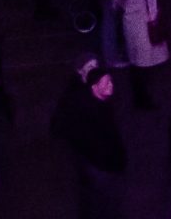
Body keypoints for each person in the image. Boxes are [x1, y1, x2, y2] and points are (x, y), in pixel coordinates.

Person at [51, 57, 127, 219]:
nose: (94, 69)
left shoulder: (89, 92)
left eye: (96, 65)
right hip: (95, 158)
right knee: (100, 197)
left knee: (93, 193)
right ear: (79, 71)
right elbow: (61, 124)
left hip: (93, 156)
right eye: (90, 66)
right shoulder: (79, 97)